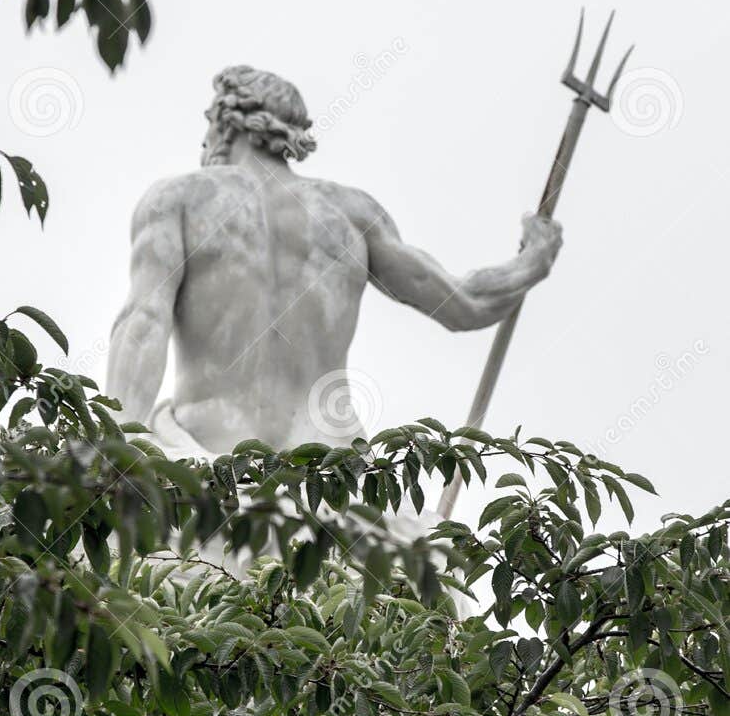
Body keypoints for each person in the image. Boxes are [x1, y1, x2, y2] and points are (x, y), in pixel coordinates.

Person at [106, 65, 562, 459]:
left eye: (206, 128)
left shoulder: (180, 199)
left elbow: (143, 323)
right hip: (328, 484)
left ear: (227, 125)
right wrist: (533, 261)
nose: (204, 144)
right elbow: (465, 304)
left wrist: (111, 450)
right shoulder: (351, 214)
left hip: (210, 475)